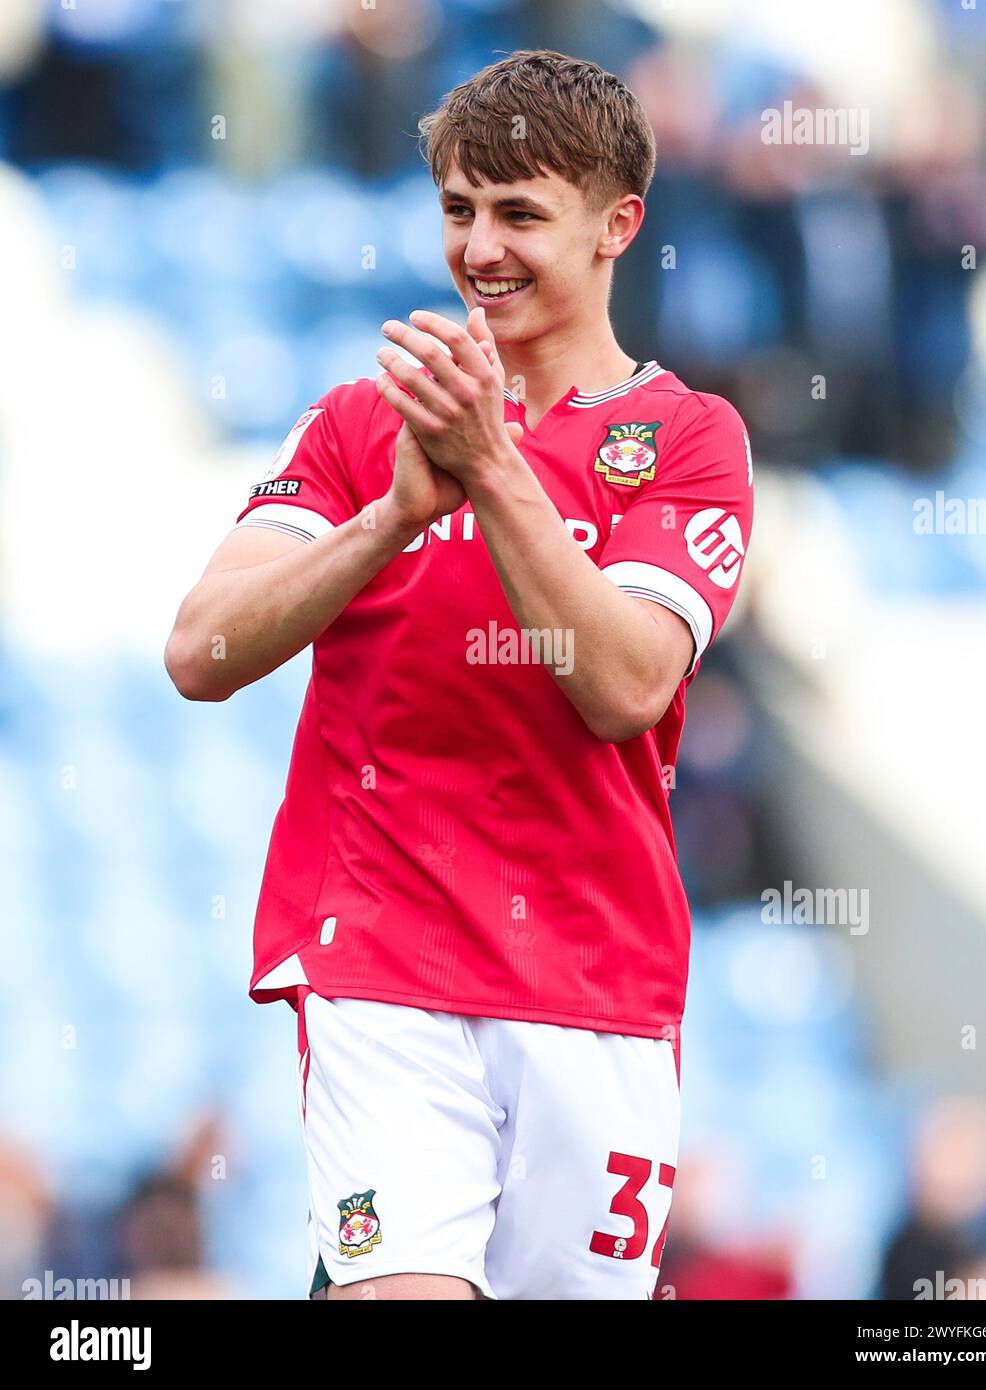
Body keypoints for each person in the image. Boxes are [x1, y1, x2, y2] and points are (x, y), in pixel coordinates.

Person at [164, 48, 754, 1301]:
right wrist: (385, 518)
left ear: (615, 226)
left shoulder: (689, 442)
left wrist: (493, 470)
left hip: (597, 984)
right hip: (384, 961)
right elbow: (198, 652)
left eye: (519, 213)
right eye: (456, 209)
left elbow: (624, 684)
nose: (479, 246)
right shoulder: (358, 425)